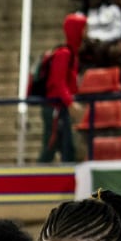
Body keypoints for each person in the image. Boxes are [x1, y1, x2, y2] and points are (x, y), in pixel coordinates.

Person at [36, 13, 84, 164]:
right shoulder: (64, 54)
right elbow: (58, 82)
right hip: (54, 108)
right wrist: (70, 103)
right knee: (50, 147)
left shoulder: (73, 54)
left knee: (67, 148)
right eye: (84, 28)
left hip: (61, 107)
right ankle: (35, 176)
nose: (86, 32)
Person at [81, 0, 121, 66]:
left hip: (110, 41)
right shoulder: (83, 13)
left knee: (108, 50)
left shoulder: (113, 10)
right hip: (91, 43)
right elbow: (83, 32)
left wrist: (105, 40)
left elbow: (119, 31)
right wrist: (90, 40)